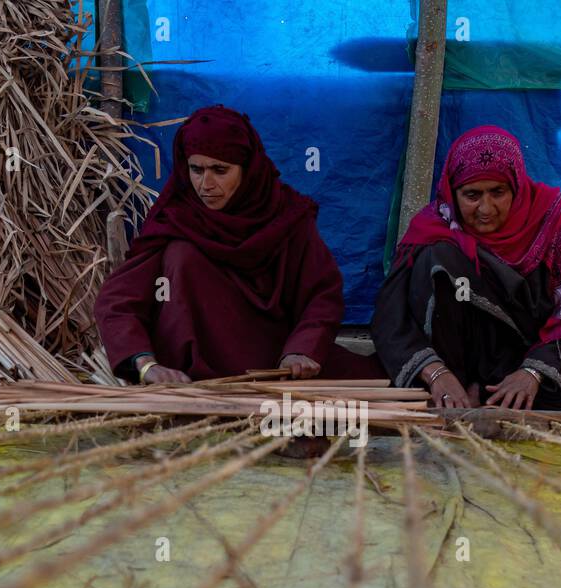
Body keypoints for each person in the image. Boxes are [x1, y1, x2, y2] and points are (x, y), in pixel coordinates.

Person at [94, 105, 384, 384]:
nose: (205, 184)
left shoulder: (286, 217)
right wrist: (146, 365)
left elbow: (322, 294)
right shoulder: (175, 218)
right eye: (196, 169)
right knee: (181, 253)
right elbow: (118, 300)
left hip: (274, 369)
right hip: (190, 378)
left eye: (220, 170)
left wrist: (301, 349)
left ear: (247, 169)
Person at [371, 125, 561, 410]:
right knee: (437, 258)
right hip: (452, 368)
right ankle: (461, 392)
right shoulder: (432, 230)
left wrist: (532, 374)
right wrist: (437, 374)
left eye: (498, 192)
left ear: (516, 185)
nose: (486, 209)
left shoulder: (550, 217)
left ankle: (492, 395)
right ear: (453, 191)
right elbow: (391, 318)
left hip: (522, 361)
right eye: (472, 195)